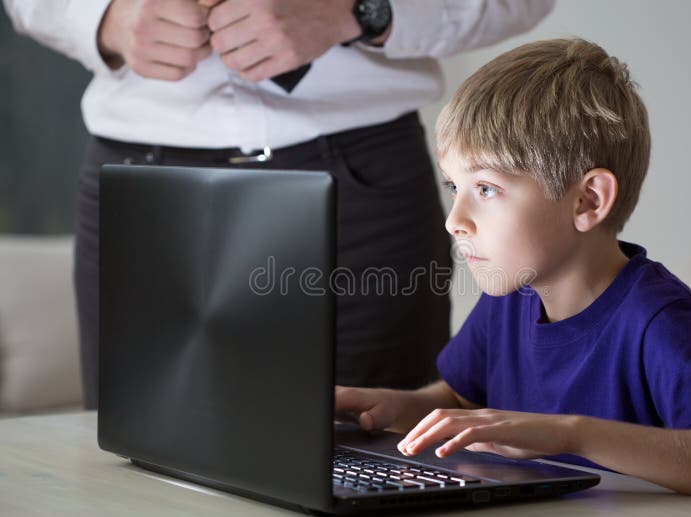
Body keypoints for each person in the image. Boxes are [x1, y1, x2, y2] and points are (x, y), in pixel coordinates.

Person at [2, 0, 555, 408]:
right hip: (139, 181)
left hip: (359, 189)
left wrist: (364, 10)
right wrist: (101, 17)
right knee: (134, 461)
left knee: (378, 459)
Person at [335, 38, 691, 506]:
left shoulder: (657, 320)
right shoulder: (509, 299)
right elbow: (463, 403)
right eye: (455, 186)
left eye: (486, 188)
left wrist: (573, 435)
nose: (454, 220)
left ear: (587, 201)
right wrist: (394, 407)